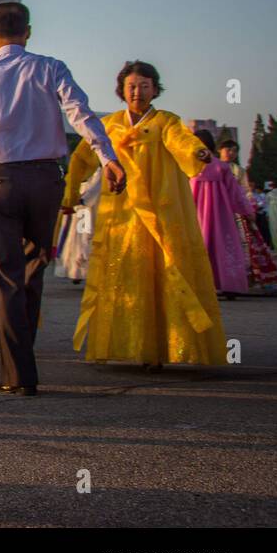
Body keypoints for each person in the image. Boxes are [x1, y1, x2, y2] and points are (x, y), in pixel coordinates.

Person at [0, 1, 124, 396]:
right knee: (34, 268)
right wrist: (108, 157)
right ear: (28, 32)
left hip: (0, 179)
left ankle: (18, 374)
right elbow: (81, 112)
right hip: (47, 179)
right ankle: (23, 357)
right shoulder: (51, 67)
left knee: (5, 275)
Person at [67, 61, 225, 370]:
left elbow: (181, 141)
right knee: (125, 277)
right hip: (122, 215)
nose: (137, 92)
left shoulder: (166, 122)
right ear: (121, 90)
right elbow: (82, 156)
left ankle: (164, 347)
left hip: (161, 212)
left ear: (155, 89)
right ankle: (129, 345)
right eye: (131, 86)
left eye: (144, 86)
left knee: (163, 274)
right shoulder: (108, 125)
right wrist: (69, 193)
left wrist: (197, 152)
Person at [189, 129, 255, 297]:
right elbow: (236, 194)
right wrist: (247, 211)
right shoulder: (222, 167)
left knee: (200, 245)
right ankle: (227, 284)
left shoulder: (187, 167)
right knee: (222, 246)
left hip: (194, 213)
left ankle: (201, 286)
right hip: (221, 216)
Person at [217, 141, 277, 291]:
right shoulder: (213, 167)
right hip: (219, 212)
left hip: (237, 213)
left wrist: (248, 208)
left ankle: (246, 278)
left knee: (244, 245)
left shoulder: (239, 170)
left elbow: (246, 191)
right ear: (219, 150)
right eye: (228, 149)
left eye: (235, 151)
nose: (231, 153)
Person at [55, 166, 100, 284]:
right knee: (80, 236)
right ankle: (78, 271)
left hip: (87, 202)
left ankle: (81, 271)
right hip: (83, 201)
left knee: (83, 236)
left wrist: (80, 200)